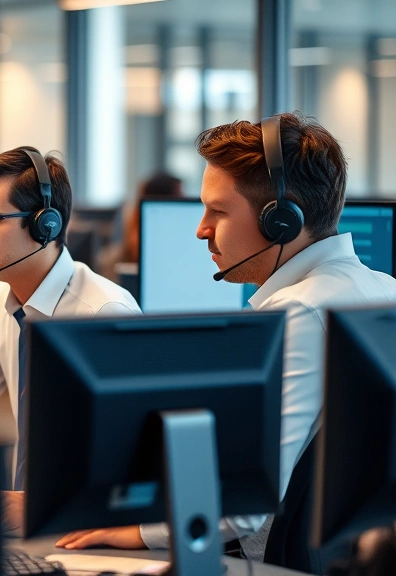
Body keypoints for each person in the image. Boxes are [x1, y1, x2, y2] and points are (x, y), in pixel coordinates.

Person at [56, 113, 396, 559]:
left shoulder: (298, 316)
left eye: (217, 211)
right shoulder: (384, 290)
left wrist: (134, 528)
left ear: (281, 221)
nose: (201, 229)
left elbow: (243, 502)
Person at [0, 146, 141, 531]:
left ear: (45, 225)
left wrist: (43, 505)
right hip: (29, 529)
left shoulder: (105, 315)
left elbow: (134, 462)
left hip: (87, 528)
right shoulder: (0, 301)